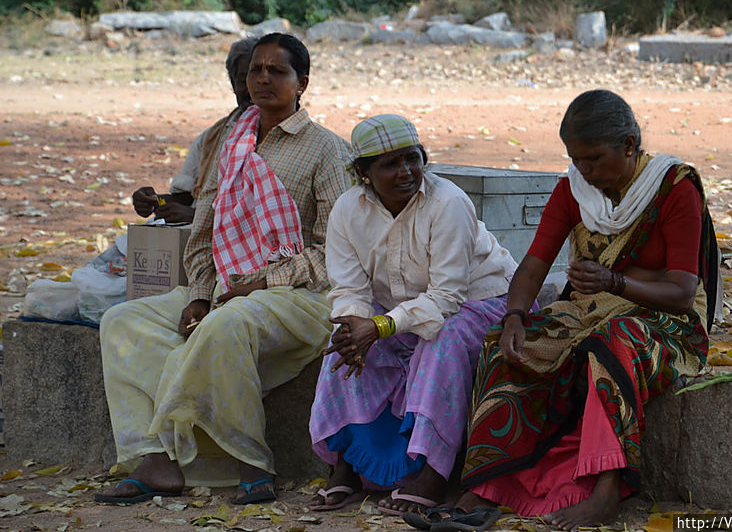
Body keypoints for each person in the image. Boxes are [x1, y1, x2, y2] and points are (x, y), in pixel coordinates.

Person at [94, 33, 352, 505]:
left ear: (302, 83)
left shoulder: (327, 150)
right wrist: (197, 292)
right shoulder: (232, 143)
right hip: (227, 286)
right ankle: (154, 456)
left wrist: (260, 282)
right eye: (256, 69)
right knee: (122, 320)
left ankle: (252, 460)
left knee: (228, 321)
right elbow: (205, 232)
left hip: (304, 294)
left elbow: (337, 252)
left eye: (278, 71)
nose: (263, 78)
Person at [451, 90, 721, 530]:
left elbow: (682, 292)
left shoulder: (674, 187)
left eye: (593, 159)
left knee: (608, 345)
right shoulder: (573, 190)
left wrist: (616, 282)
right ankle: (488, 483)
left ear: (630, 145)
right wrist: (515, 317)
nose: (584, 170)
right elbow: (534, 265)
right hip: (589, 309)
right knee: (504, 347)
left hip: (668, 323)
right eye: (576, 159)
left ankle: (606, 490)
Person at [308, 114, 518, 515]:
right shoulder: (347, 209)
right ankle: (347, 463)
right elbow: (349, 289)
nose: (405, 172)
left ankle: (432, 473)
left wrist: (382, 325)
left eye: (412, 159)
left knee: (441, 340)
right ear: (363, 173)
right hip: (400, 310)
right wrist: (356, 324)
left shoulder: (448, 203)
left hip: (482, 303)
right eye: (389, 164)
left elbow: (446, 298)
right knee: (343, 342)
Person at [130, 37, 256, 223]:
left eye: (260, 78)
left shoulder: (292, 143)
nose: (255, 87)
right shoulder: (213, 138)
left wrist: (198, 218)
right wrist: (155, 201)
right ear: (233, 85)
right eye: (243, 79)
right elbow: (189, 197)